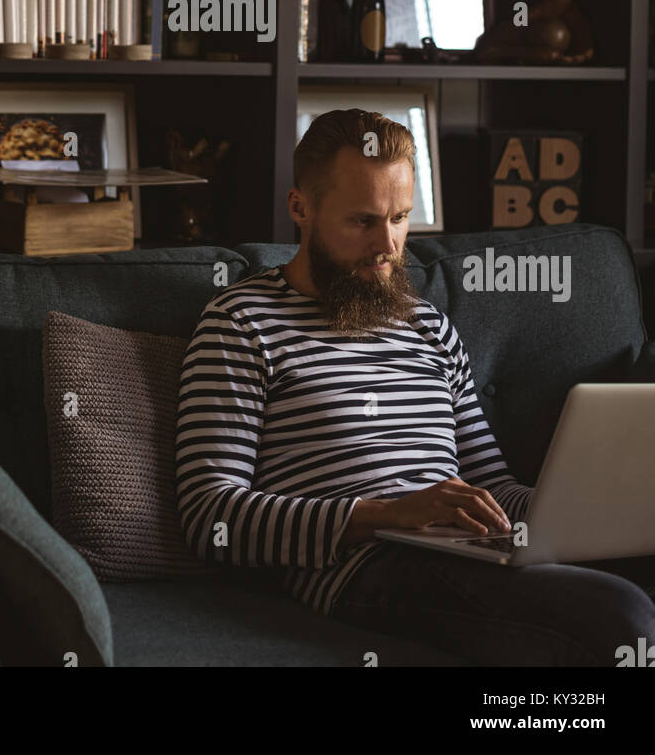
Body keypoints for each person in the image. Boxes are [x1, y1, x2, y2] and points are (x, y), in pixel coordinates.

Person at [174, 108, 655, 666]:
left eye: (400, 218)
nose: (388, 245)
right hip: (366, 565)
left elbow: (492, 486)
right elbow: (210, 518)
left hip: (468, 548)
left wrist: (586, 512)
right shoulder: (240, 322)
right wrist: (386, 513)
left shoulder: (427, 325)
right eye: (363, 221)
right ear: (300, 208)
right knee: (619, 617)